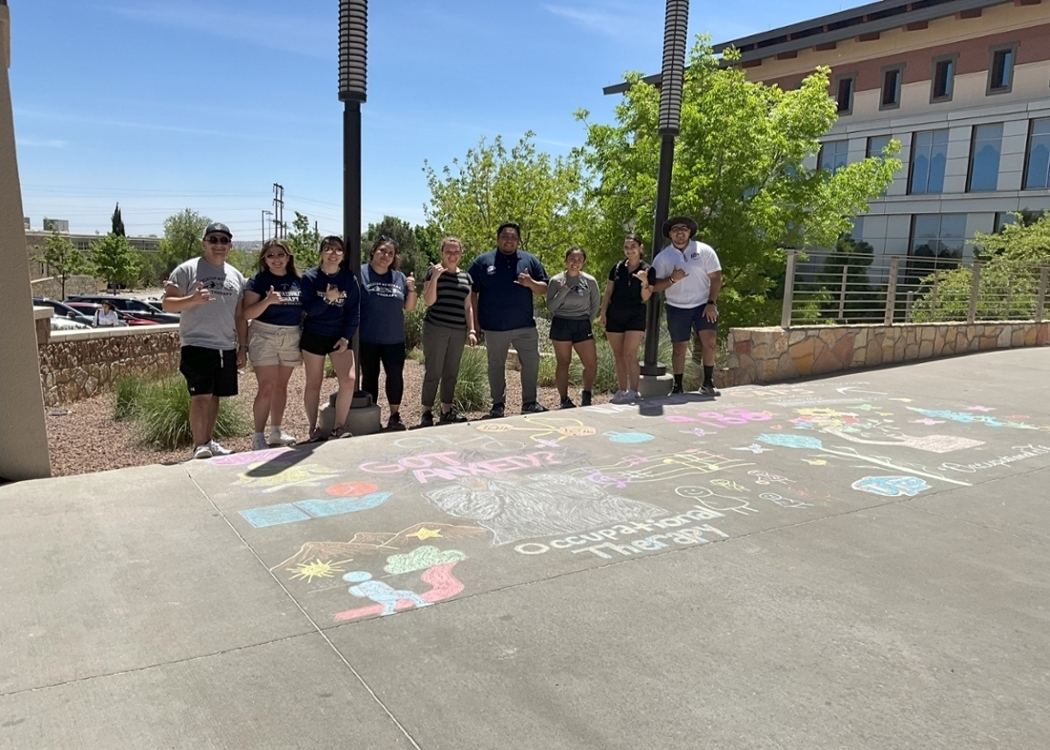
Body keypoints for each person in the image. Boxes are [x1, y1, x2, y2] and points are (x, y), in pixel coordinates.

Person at [162, 222, 247, 459]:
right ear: (204, 243)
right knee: (200, 396)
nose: (218, 245)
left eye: (223, 240)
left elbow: (240, 315)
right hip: (197, 343)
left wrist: (243, 347)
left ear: (230, 245)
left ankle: (209, 442)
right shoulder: (187, 270)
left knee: (215, 396)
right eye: (213, 240)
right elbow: (168, 303)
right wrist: (192, 299)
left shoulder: (236, 276)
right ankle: (199, 445)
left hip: (226, 345)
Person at [468, 221, 549, 418]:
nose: (509, 240)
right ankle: (498, 404)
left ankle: (529, 403)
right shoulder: (483, 262)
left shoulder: (530, 260)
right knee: (496, 365)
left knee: (531, 362)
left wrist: (530, 283)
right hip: (495, 327)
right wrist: (475, 324)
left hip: (525, 326)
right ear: (498, 238)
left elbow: (544, 289)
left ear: (518, 240)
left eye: (513, 237)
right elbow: (471, 293)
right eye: (505, 236)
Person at [650, 216, 723, 396]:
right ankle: (678, 385)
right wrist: (673, 278)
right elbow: (654, 286)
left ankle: (707, 382)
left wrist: (711, 303)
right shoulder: (663, 257)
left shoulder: (704, 251)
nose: (680, 232)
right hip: (677, 307)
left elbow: (716, 278)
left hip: (703, 305)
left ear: (689, 232)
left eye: (684, 228)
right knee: (680, 347)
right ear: (670, 234)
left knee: (710, 342)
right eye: (675, 229)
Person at [243, 238, 302, 450]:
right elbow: (247, 313)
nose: (276, 259)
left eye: (280, 255)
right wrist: (267, 301)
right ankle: (258, 436)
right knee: (266, 387)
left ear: (288, 257)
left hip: (291, 334)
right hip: (263, 334)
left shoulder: (298, 281)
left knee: (281, 386)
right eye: (271, 255)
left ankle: (276, 431)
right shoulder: (257, 281)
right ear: (264, 259)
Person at [299, 236, 360, 441]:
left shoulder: (349, 280)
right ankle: (313, 428)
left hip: (338, 336)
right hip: (314, 335)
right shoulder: (310, 278)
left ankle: (339, 428)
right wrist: (326, 299)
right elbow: (309, 309)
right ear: (321, 253)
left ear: (343, 255)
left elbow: (353, 312)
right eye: (328, 249)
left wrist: (346, 337)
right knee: (314, 382)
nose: (333, 254)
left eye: (338, 250)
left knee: (349, 380)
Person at [359, 236, 417, 432]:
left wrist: (412, 289)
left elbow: (409, 307)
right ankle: (370, 417)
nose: (386, 255)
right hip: (367, 337)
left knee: (395, 377)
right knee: (369, 377)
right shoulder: (360, 273)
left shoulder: (399, 277)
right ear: (373, 250)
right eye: (382, 251)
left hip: (394, 338)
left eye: (390, 253)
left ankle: (394, 416)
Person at [419, 236, 477, 427]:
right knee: (433, 370)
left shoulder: (466, 277)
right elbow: (429, 301)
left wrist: (472, 330)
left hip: (458, 330)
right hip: (436, 328)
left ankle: (446, 410)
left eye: (456, 251)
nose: (452, 255)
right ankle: (426, 411)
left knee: (451, 371)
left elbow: (468, 306)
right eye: (448, 252)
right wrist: (436, 277)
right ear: (442, 253)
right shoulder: (433, 272)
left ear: (461, 253)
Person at [599, 232, 653, 403]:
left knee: (630, 354)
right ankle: (622, 391)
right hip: (615, 314)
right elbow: (608, 292)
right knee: (618, 354)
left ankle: (634, 391)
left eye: (633, 247)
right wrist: (603, 313)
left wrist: (644, 281)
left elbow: (646, 297)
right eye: (627, 247)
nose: (630, 250)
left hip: (635, 316)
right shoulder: (617, 268)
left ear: (640, 248)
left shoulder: (648, 269)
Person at [546, 247, 601, 408]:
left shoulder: (589, 281)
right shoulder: (556, 281)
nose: (575, 262)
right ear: (566, 260)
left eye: (579, 259)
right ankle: (564, 399)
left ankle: (587, 393)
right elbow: (551, 306)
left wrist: (587, 322)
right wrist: (563, 291)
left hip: (582, 323)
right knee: (563, 362)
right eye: (572, 258)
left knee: (591, 363)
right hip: (561, 323)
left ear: (583, 262)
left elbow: (594, 304)